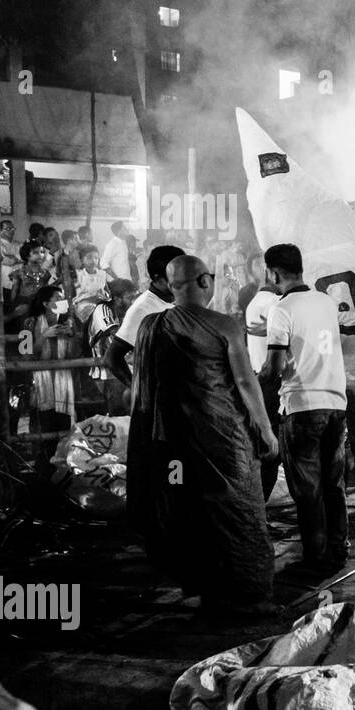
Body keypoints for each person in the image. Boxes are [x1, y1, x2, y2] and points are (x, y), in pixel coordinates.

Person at [128, 255, 279, 615]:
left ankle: (207, 591)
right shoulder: (223, 325)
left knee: (189, 512)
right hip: (223, 438)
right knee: (240, 512)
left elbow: (141, 388)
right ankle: (250, 596)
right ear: (202, 282)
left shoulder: (151, 325)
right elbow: (244, 381)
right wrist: (265, 428)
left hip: (173, 446)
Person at [261, 243, 350, 574]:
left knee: (308, 491)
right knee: (333, 484)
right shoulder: (326, 302)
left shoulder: (281, 309)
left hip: (302, 407)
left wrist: (248, 388)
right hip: (336, 405)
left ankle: (315, 556)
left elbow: (273, 367)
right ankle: (338, 549)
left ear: (274, 272)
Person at [103, 244, 185, 390]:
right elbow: (112, 358)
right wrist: (137, 391)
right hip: (157, 392)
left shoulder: (177, 300)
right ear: (158, 279)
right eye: (175, 279)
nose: (182, 284)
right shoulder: (142, 308)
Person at [26, 284, 78, 469]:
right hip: (42, 382)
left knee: (64, 426)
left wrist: (71, 336)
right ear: (47, 303)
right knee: (44, 426)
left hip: (64, 383)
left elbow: (75, 355)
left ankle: (61, 467)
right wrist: (44, 336)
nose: (63, 301)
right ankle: (42, 467)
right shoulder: (30, 323)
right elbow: (26, 354)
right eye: (58, 298)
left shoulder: (69, 323)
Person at [243, 274, 283, 498]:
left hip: (262, 380)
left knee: (266, 449)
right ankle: (260, 508)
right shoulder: (273, 304)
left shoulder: (257, 303)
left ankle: (259, 507)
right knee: (270, 449)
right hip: (270, 382)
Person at [87, 279, 138, 416]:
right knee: (119, 414)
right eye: (129, 297)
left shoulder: (125, 311)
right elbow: (115, 332)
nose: (133, 301)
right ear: (117, 298)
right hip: (107, 374)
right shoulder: (102, 309)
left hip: (123, 370)